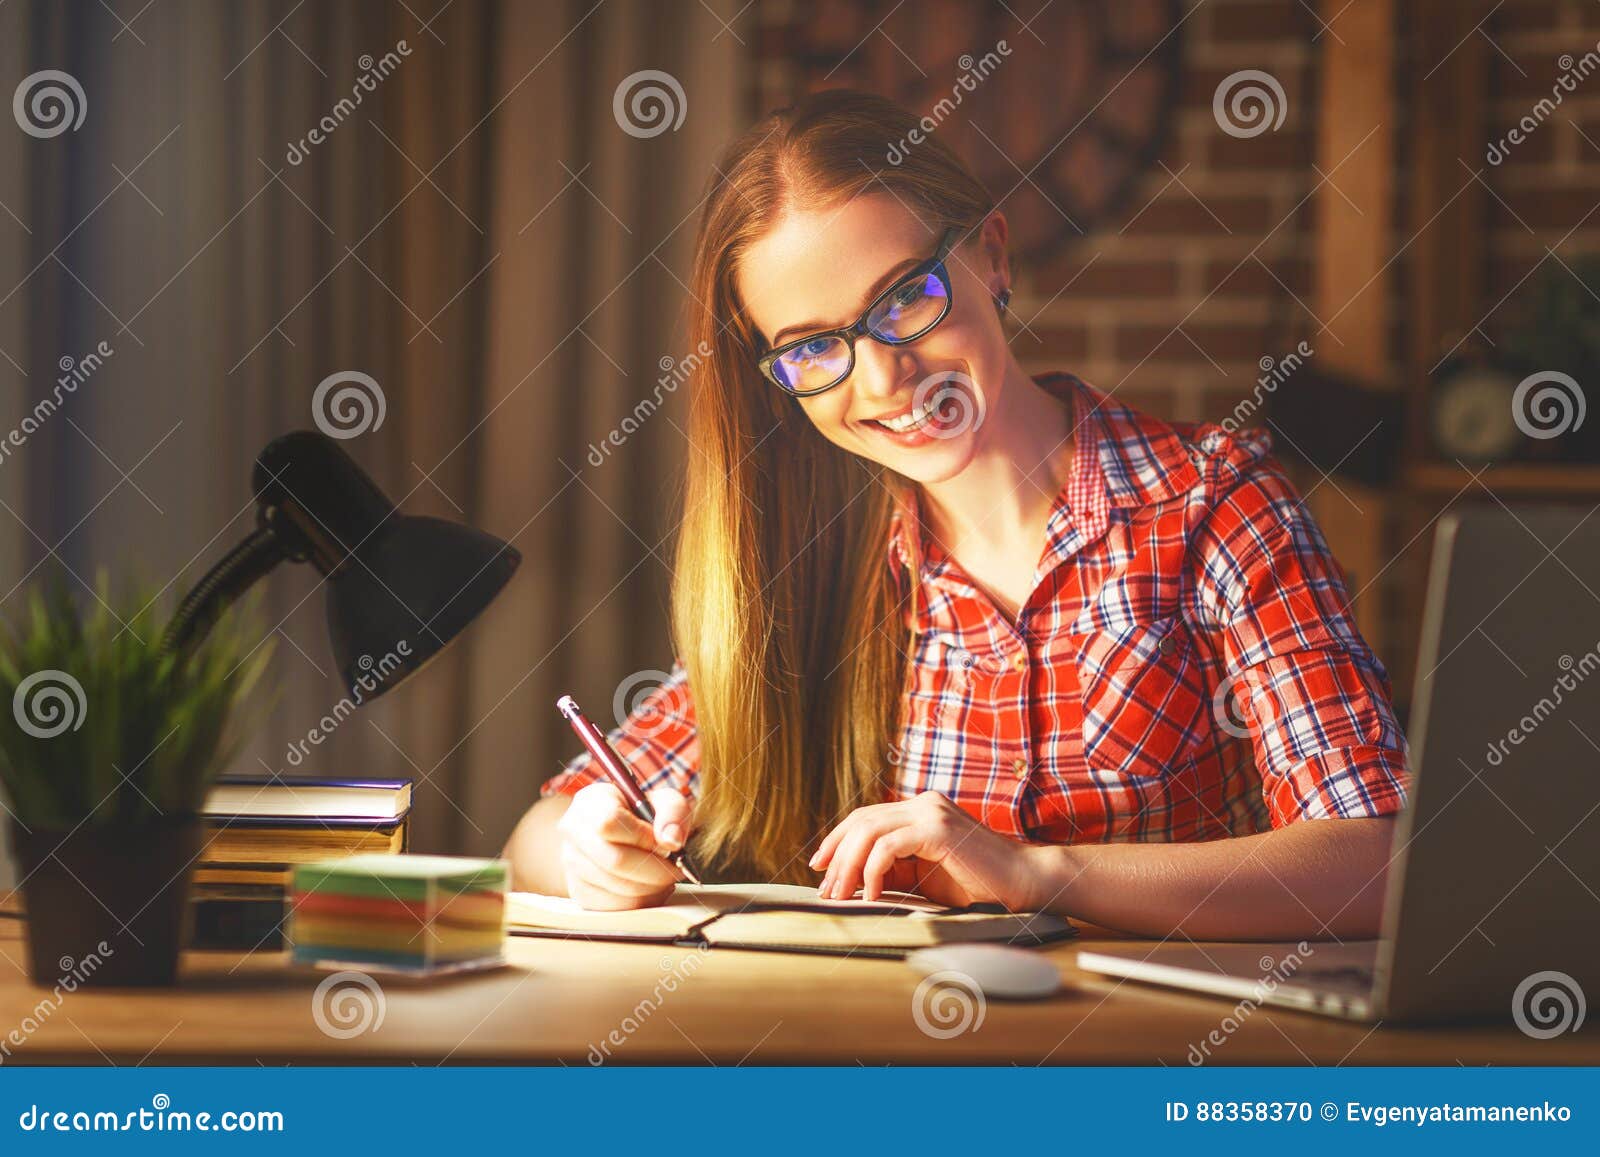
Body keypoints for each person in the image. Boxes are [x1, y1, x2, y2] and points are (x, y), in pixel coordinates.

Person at [504, 88, 1408, 939]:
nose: (884, 379)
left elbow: (1377, 859)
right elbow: (534, 837)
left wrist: (1034, 873)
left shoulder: (1214, 504)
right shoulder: (816, 562)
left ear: (992, 256)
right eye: (815, 347)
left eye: (903, 299)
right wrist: (591, 844)